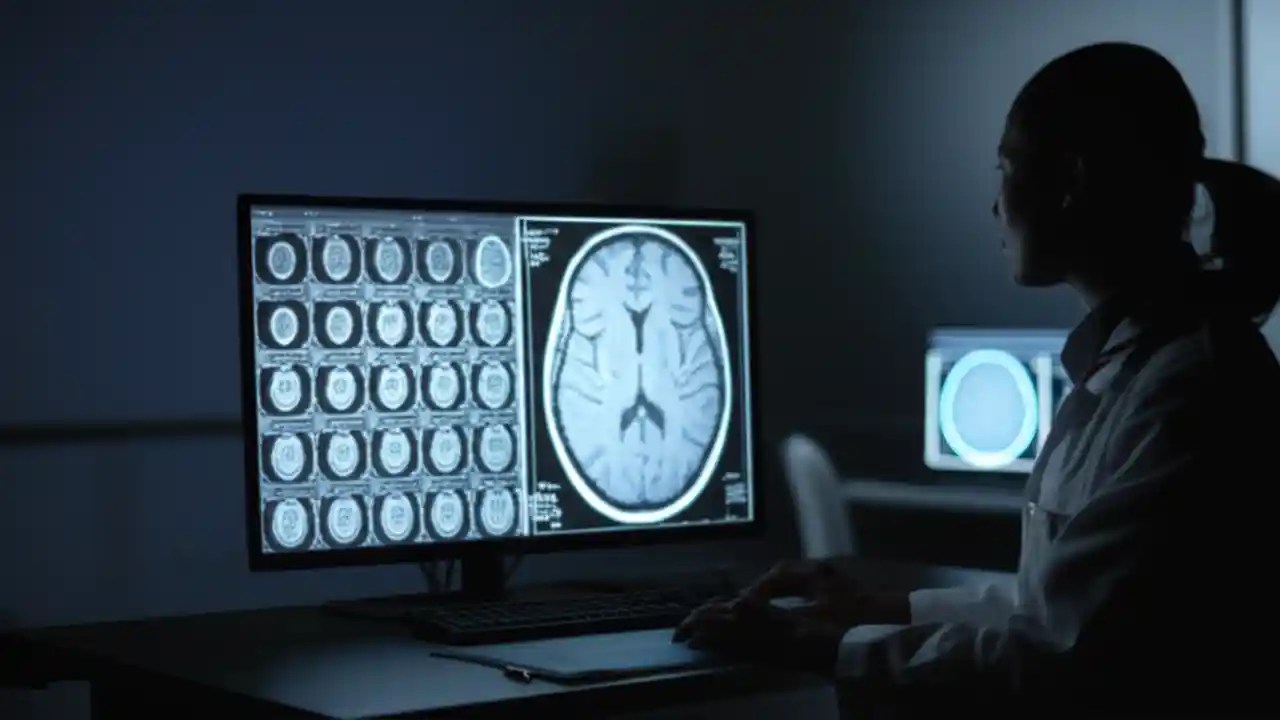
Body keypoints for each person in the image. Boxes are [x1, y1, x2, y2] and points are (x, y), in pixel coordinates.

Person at [674, 42, 1280, 716]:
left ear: (1069, 181)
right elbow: (1056, 601)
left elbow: (1061, 654)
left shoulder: (1192, 387)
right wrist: (877, 605)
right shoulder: (1136, 363)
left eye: (1005, 170)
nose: (995, 206)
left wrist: (816, 645)